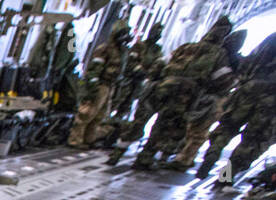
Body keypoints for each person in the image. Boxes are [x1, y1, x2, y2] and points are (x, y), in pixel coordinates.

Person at [133, 16, 233, 170]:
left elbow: (164, 64)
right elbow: (223, 81)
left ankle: (146, 155)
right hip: (187, 94)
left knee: (161, 121)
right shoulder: (219, 54)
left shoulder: (187, 47)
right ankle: (160, 156)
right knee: (176, 126)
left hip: (166, 88)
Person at [196, 34, 276, 181]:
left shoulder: (270, 39)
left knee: (227, 126)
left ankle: (212, 154)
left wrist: (244, 83)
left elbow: (247, 62)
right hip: (271, 98)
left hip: (248, 89)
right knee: (253, 139)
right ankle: (225, 177)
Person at [105, 21, 165, 163]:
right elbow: (132, 62)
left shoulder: (157, 50)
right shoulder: (140, 46)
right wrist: (139, 71)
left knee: (126, 111)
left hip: (141, 85)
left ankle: (113, 138)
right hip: (128, 81)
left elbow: (157, 66)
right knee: (116, 106)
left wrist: (147, 75)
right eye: (156, 30)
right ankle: (109, 138)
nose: (157, 34)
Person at [67, 19, 132, 148]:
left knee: (99, 116)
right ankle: (75, 140)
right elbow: (94, 70)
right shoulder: (105, 49)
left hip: (110, 86)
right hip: (100, 85)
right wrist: (92, 88)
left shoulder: (122, 52)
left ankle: (89, 139)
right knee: (87, 114)